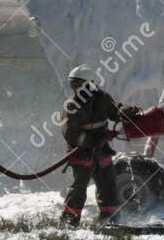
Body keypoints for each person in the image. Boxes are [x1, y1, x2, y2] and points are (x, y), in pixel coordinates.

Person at [59, 65, 141, 227]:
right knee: (79, 189)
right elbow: (70, 133)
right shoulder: (71, 106)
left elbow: (114, 112)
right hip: (82, 152)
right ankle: (68, 224)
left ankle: (110, 221)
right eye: (73, 85)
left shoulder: (102, 98)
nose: (75, 89)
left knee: (108, 185)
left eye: (77, 84)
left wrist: (126, 112)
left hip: (102, 151)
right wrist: (91, 141)